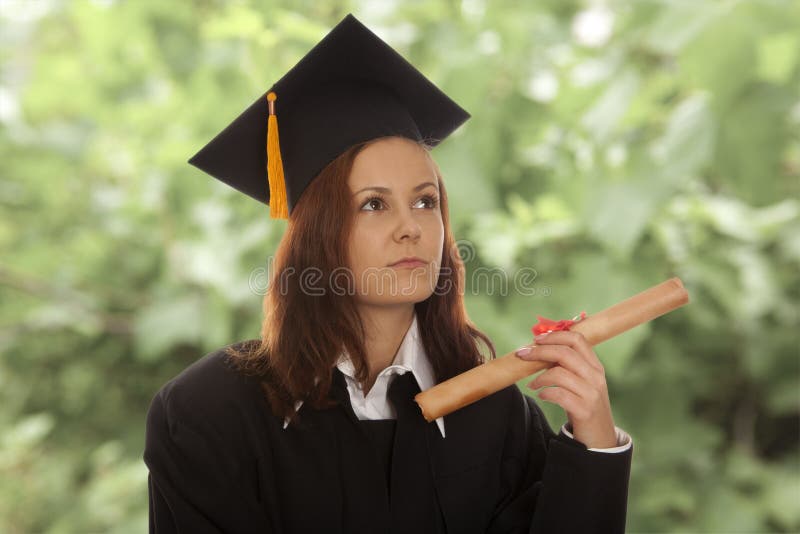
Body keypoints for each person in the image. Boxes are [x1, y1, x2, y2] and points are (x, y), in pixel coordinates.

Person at [143, 13, 632, 534]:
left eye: (425, 202)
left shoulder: (494, 415)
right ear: (318, 235)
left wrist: (594, 439)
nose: (411, 228)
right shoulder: (210, 414)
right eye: (374, 205)